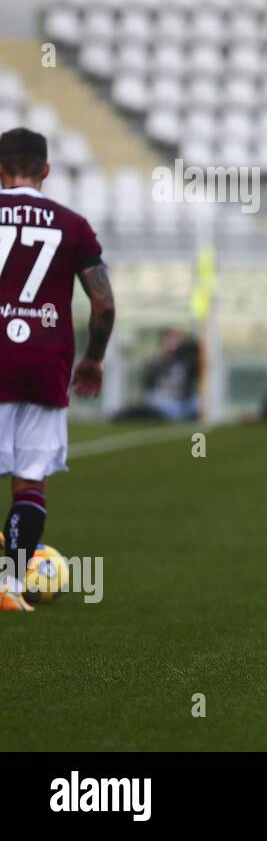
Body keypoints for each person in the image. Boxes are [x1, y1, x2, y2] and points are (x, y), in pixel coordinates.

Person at [0, 128, 114, 611]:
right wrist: (93, 358)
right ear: (46, 170)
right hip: (44, 367)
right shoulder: (73, 225)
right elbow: (104, 305)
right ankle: (9, 587)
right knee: (30, 481)